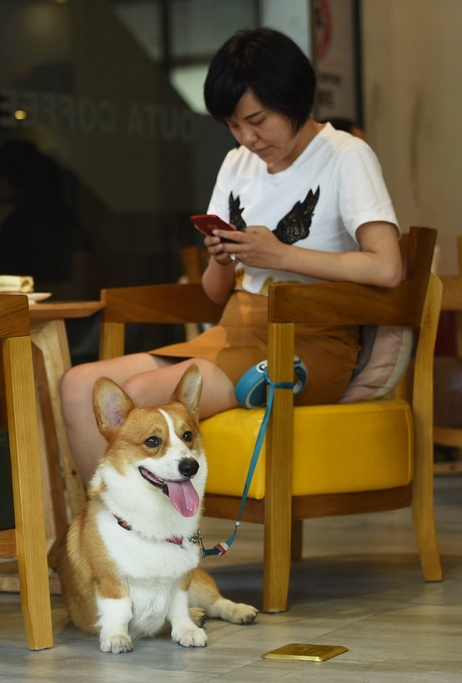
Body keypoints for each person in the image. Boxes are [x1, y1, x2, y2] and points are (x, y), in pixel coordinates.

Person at [59, 28, 402, 483]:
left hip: (307, 344)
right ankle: (108, 539)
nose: (248, 137)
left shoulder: (345, 156)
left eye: (257, 119)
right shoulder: (236, 164)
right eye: (234, 125)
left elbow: (387, 266)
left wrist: (279, 255)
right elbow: (213, 293)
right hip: (235, 333)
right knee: (78, 385)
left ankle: (154, 545)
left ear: (293, 95)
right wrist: (222, 257)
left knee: (143, 394)